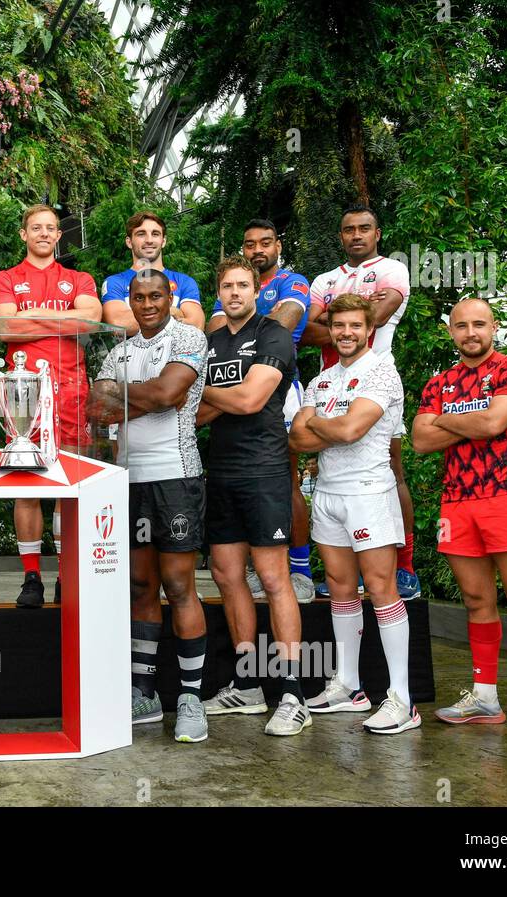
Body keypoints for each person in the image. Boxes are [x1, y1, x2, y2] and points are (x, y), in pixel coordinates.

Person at [413, 298, 507, 747]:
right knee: (476, 601)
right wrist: (469, 421)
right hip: (457, 503)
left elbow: (496, 423)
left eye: (479, 324)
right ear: (450, 332)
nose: (470, 332)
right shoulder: (439, 382)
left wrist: (447, 421)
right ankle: (485, 699)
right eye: (461, 325)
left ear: (494, 327)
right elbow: (420, 440)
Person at [290, 294, 419, 734]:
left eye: (354, 326)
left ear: (369, 330)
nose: (346, 333)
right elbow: (296, 439)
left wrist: (324, 426)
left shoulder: (382, 371)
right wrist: (333, 428)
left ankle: (402, 700)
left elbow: (349, 430)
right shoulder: (322, 378)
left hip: (369, 492)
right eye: (338, 326)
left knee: (382, 589)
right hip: (327, 493)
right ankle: (349, 686)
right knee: (342, 590)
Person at [90, 270, 208, 743]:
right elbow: (97, 408)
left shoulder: (190, 337)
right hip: (130, 480)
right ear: (130, 302)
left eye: (155, 295)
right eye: (138, 297)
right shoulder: (119, 349)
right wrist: (146, 399)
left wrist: (129, 397)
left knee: (179, 586)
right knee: (140, 585)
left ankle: (191, 698)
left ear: (170, 296)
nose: (147, 304)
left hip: (176, 476)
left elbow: (168, 393)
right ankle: (144, 692)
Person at [197, 256, 309, 736]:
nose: (236, 293)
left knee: (272, 576)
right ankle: (247, 686)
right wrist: (208, 395)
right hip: (218, 471)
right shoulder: (210, 342)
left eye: (244, 285)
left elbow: (251, 400)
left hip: (263, 471)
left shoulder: (273, 335)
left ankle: (292, 693)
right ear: (218, 293)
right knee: (226, 574)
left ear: (256, 290)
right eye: (227, 286)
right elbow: (195, 416)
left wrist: (199, 387)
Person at [0, 204, 103, 608]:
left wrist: (29, 315)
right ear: (23, 234)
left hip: (71, 390)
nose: (43, 233)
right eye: (35, 227)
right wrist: (61, 319)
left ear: (59, 236)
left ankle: (66, 575)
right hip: (23, 394)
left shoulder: (79, 278)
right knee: (28, 484)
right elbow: (4, 326)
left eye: (50, 228)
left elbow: (90, 321)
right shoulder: (5, 278)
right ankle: (32, 577)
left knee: (69, 486)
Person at [306, 205, 419, 600]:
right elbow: (306, 332)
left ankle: (404, 567)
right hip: (331, 385)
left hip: (376, 382)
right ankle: (345, 572)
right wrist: (348, 322)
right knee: (329, 468)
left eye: (364, 229)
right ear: (341, 236)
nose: (356, 235)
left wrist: (337, 323)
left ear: (377, 233)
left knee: (392, 469)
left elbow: (377, 317)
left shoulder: (393, 269)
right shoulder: (324, 279)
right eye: (349, 229)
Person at [210, 219, 319, 601]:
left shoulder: (293, 281)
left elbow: (283, 323)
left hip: (279, 385)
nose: (258, 250)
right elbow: (217, 328)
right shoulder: (233, 285)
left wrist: (252, 339)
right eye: (250, 243)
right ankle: (260, 567)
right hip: (230, 386)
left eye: (265, 243)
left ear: (278, 245)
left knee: (285, 480)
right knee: (243, 476)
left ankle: (301, 569)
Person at [101, 210, 206, 334]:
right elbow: (119, 325)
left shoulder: (184, 281)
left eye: (155, 234)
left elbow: (196, 326)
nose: (149, 240)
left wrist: (143, 318)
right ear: (129, 242)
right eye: (141, 234)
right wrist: (173, 311)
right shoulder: (115, 282)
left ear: (164, 241)